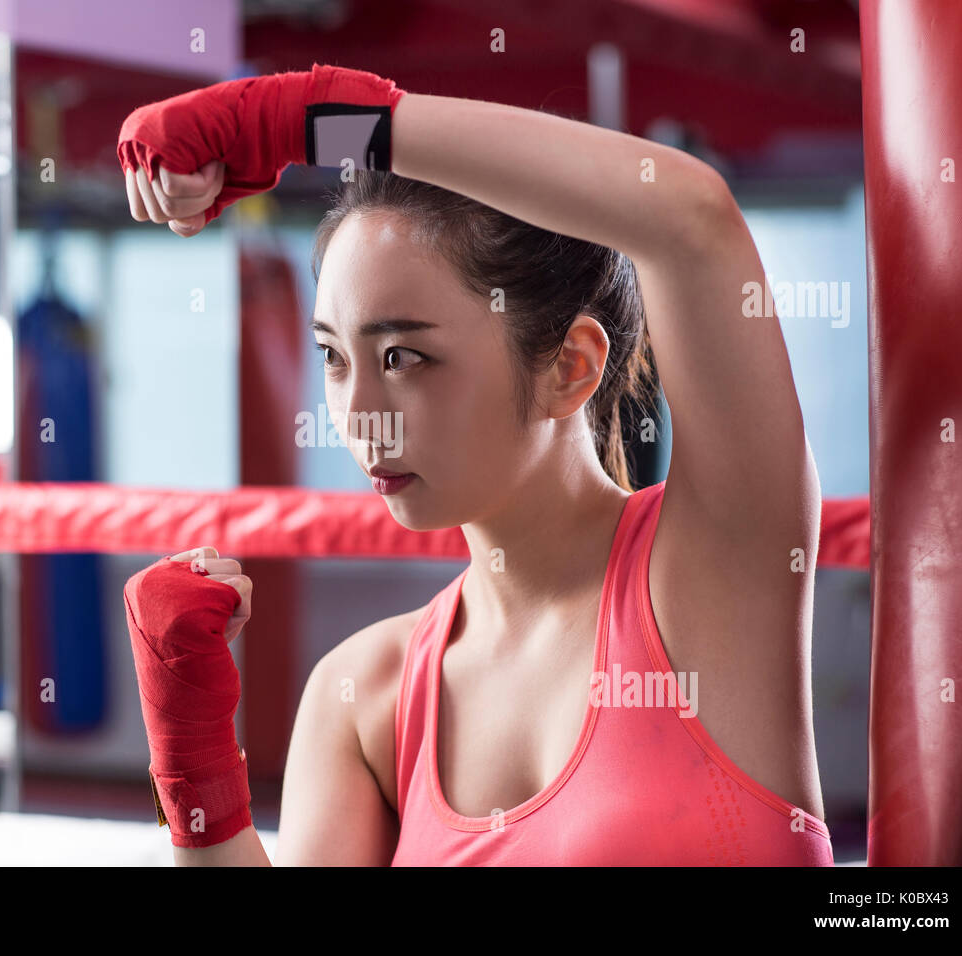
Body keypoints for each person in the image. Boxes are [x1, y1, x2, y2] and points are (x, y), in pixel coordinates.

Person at [120, 65, 833, 866]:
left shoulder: (712, 577)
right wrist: (193, 758)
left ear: (571, 367)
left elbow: (690, 218)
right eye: (332, 356)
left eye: (404, 356)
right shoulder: (366, 699)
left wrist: (300, 119)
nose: (360, 417)